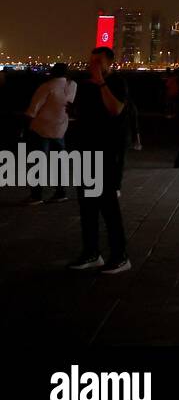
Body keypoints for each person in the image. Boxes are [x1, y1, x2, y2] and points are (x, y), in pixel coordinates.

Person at [67, 47, 131, 274]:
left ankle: (120, 256)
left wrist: (101, 83)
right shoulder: (84, 85)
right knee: (87, 207)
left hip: (108, 154)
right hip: (86, 151)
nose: (92, 64)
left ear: (109, 63)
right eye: (91, 60)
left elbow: (116, 110)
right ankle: (91, 253)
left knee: (109, 207)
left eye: (98, 61)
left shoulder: (117, 83)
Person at [23, 62, 77, 204]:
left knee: (38, 162)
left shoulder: (47, 87)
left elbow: (33, 109)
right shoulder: (72, 86)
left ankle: (36, 195)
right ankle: (60, 192)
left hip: (41, 128)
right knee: (59, 162)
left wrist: (24, 126)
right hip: (60, 129)